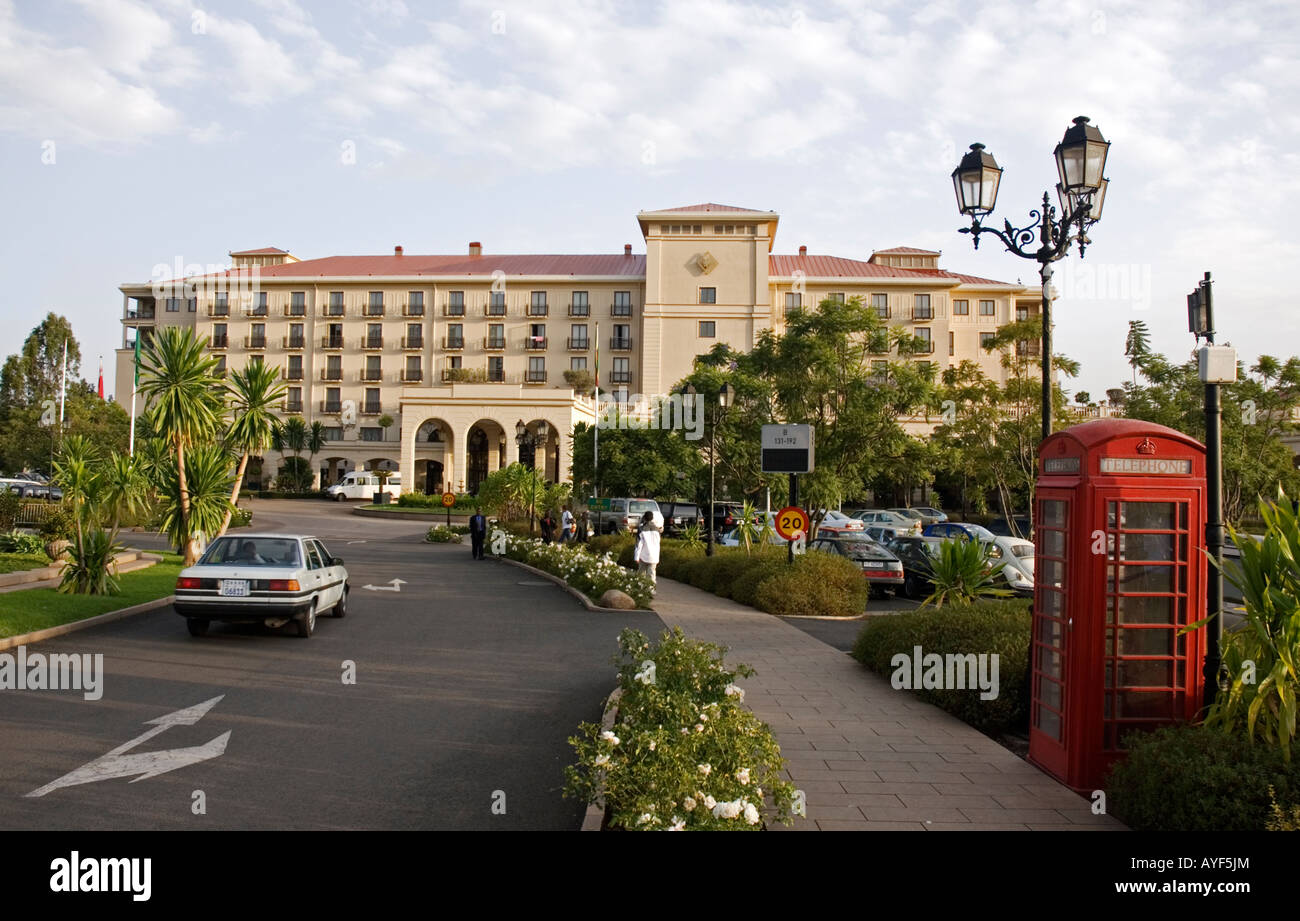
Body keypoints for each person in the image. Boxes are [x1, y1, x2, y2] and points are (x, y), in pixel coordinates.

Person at [633, 510, 661, 592]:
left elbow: (639, 544)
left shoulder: (641, 529)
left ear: (644, 518)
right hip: (654, 556)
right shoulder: (657, 529)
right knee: (652, 574)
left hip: (643, 555)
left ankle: (639, 589)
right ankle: (651, 590)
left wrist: (636, 557)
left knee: (641, 573)